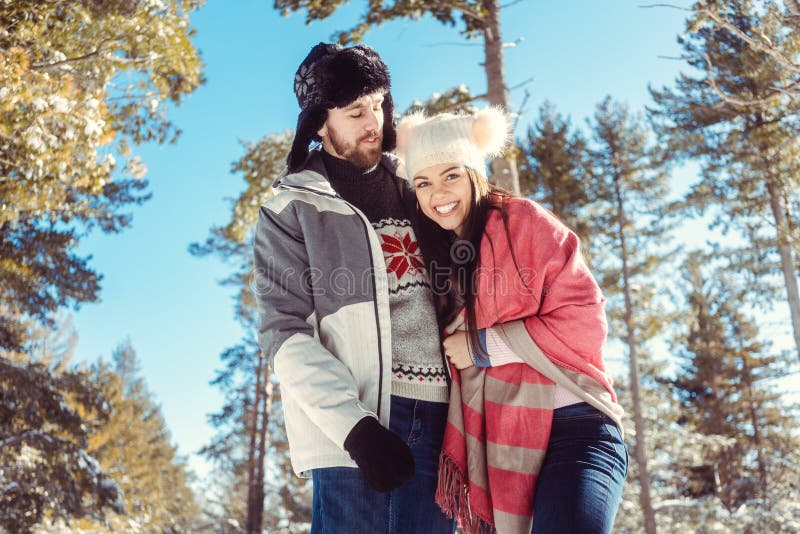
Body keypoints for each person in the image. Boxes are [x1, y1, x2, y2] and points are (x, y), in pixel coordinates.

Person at [252, 43, 456, 533]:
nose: (375, 121)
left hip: (444, 423)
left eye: (381, 104)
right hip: (357, 430)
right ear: (320, 124)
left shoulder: (419, 189)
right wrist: (355, 428)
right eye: (356, 111)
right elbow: (284, 334)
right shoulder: (291, 210)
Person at [395, 108, 628, 533]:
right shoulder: (441, 258)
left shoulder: (522, 223)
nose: (437, 193)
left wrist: (482, 347)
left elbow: (584, 316)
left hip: (576, 426)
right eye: (423, 182)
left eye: (451, 175)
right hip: (502, 446)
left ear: (474, 172)